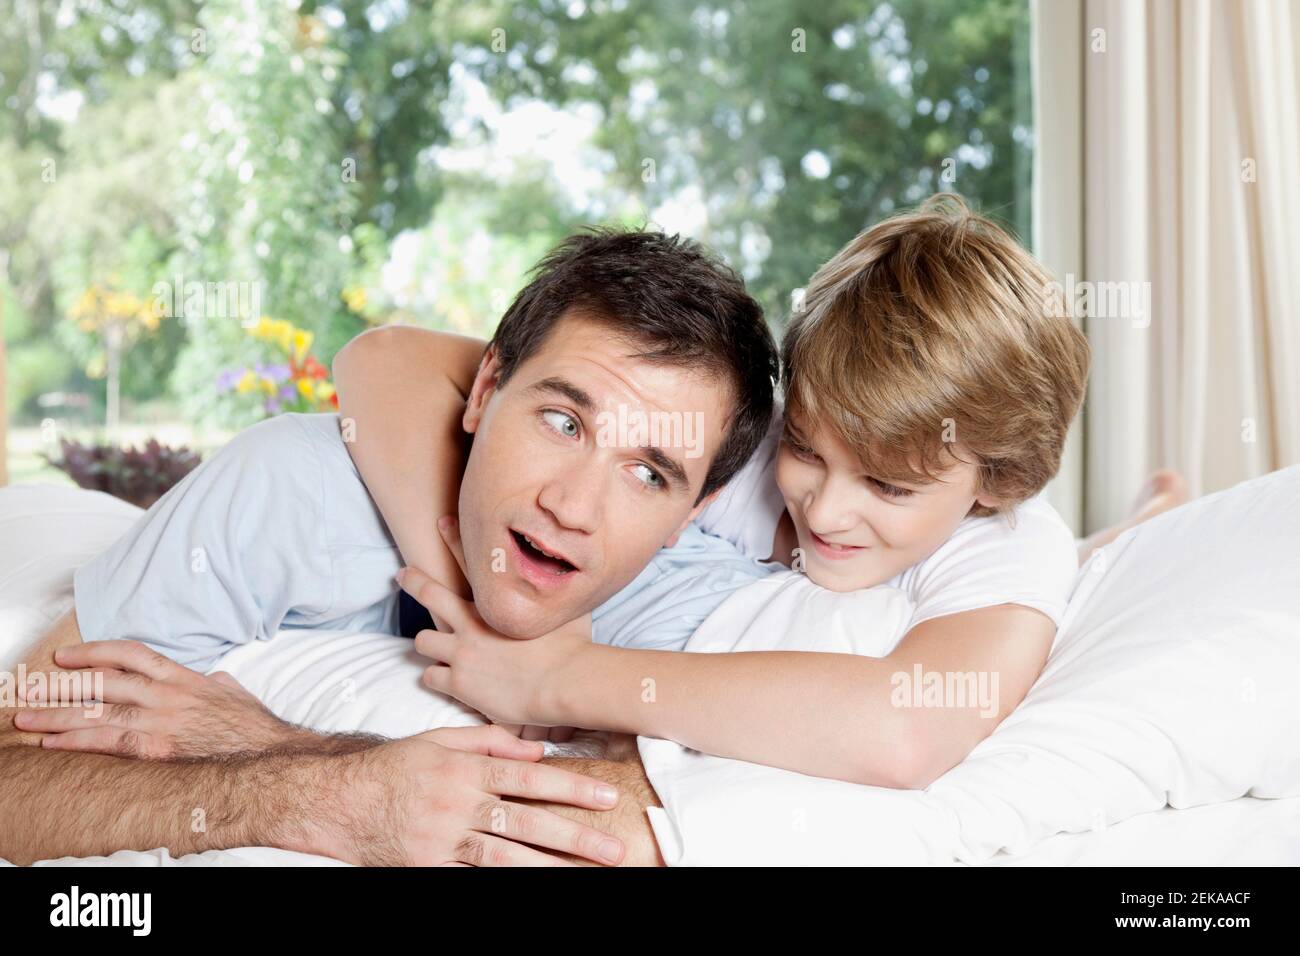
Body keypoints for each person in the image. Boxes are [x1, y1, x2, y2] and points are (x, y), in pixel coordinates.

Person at [339, 196, 1189, 787]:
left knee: (1072, 575)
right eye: (810, 453)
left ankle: (1137, 525)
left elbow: (904, 731)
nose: (824, 509)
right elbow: (379, 360)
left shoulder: (1007, 539)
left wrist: (560, 677)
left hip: (1034, 553)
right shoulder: (758, 442)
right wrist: (481, 604)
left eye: (887, 485)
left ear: (993, 484)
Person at [0, 229, 780, 866]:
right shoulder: (289, 490)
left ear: (692, 513)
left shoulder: (706, 613)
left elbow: (697, 823)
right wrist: (294, 796)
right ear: (483, 392)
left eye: (648, 473)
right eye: (563, 422)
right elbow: (12, 772)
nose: (571, 507)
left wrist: (278, 750)